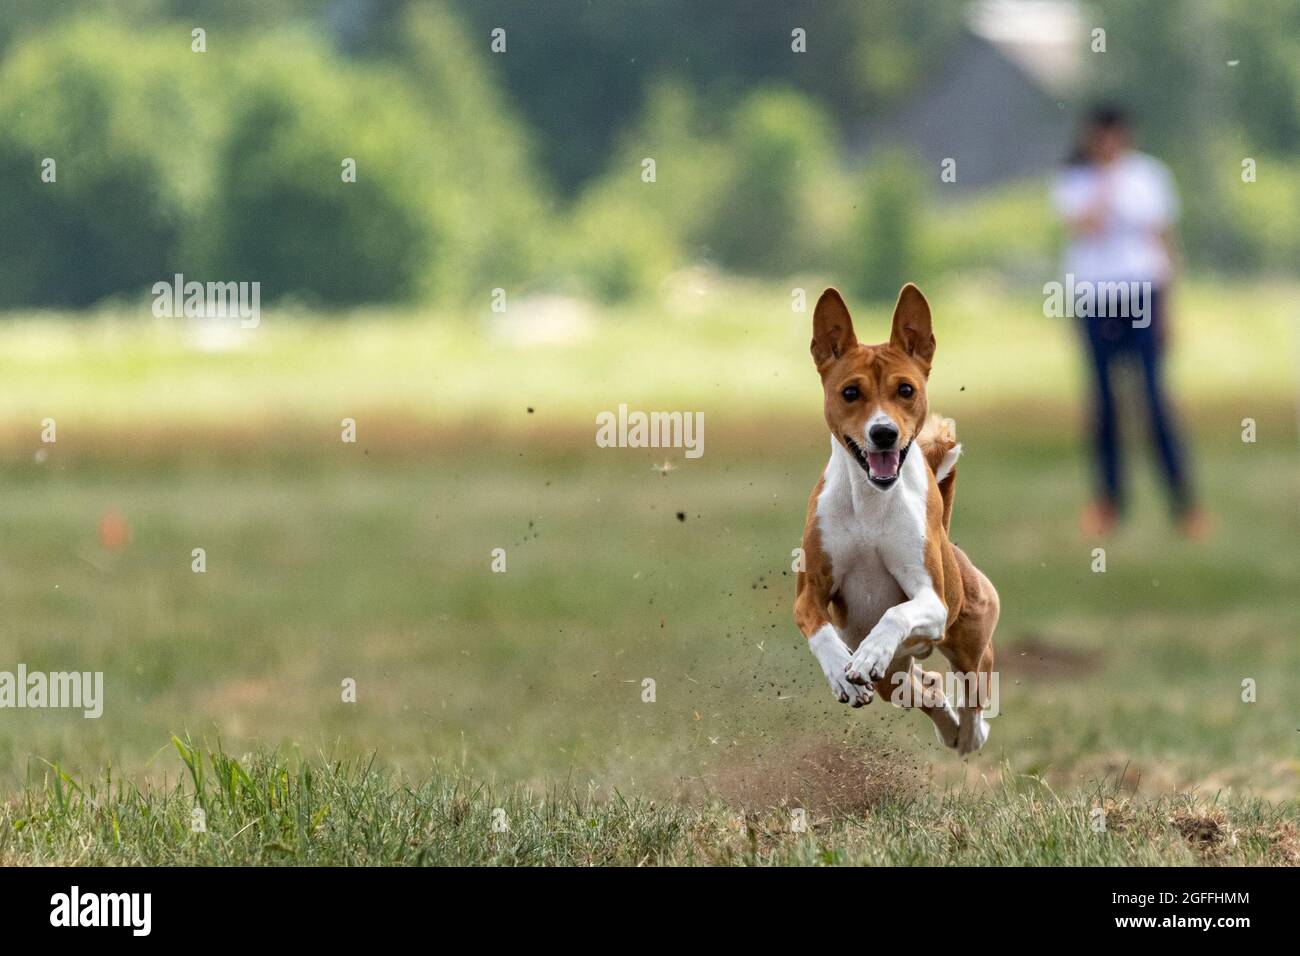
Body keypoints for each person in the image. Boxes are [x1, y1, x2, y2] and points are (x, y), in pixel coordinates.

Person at [1052, 105, 1208, 537]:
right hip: (1097, 299)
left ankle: (1184, 503)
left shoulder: (1149, 176)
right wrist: (1103, 179)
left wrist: (1170, 310)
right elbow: (1087, 226)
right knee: (1104, 405)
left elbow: (1164, 241)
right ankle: (1108, 504)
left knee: (1155, 401)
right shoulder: (1075, 180)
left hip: (1143, 295)